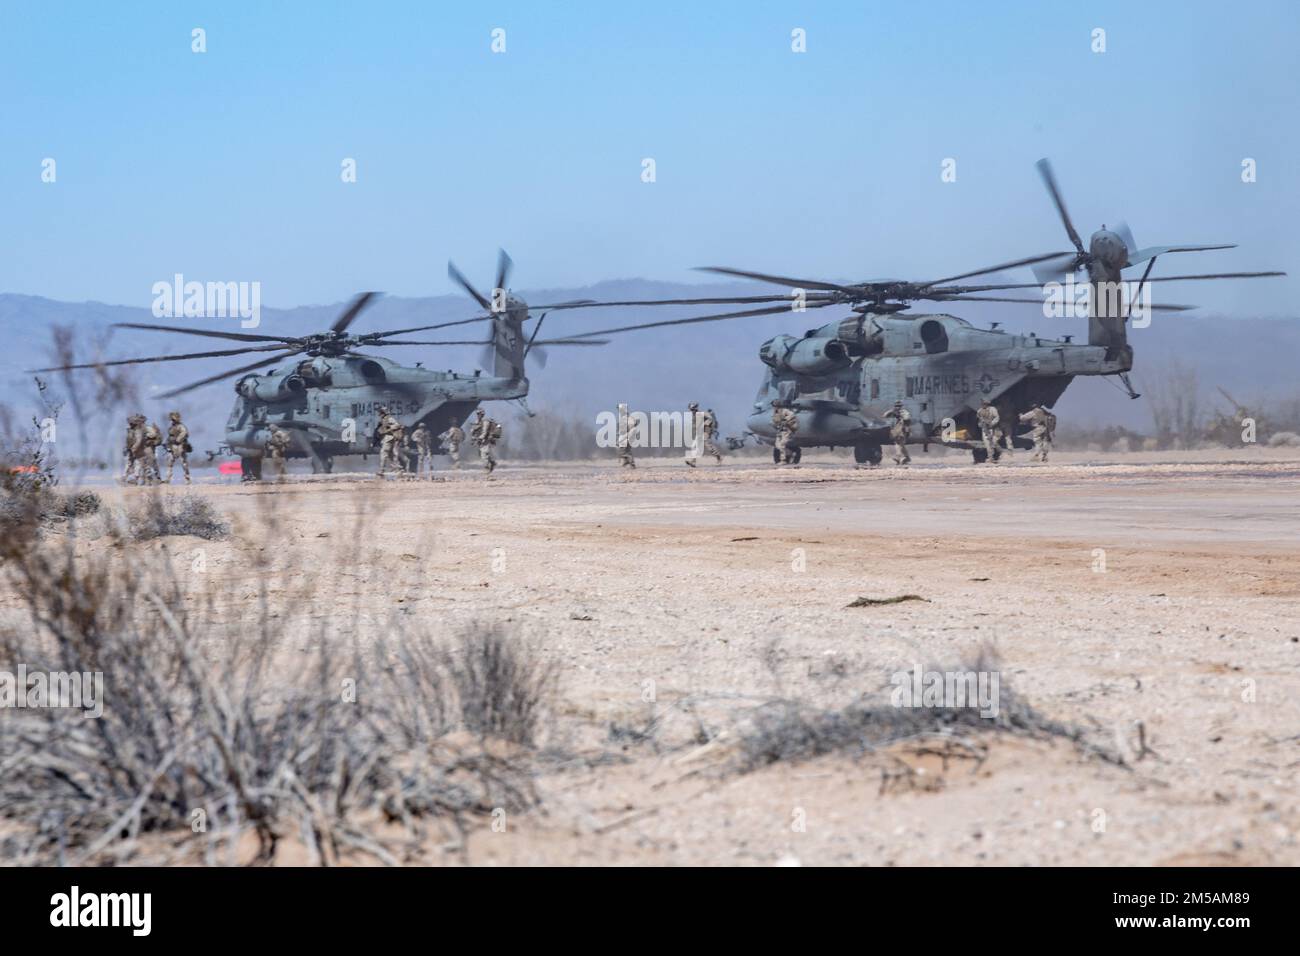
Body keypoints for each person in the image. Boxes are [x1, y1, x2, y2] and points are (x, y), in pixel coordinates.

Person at [470, 408, 501, 475]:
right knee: (481, 454)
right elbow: (474, 431)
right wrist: (473, 438)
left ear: (482, 414)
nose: (478, 415)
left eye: (479, 414)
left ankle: (487, 469)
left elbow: (484, 432)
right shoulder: (477, 421)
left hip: (486, 440)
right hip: (480, 440)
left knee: (484, 454)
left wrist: (480, 438)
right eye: (477, 414)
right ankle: (492, 462)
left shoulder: (485, 422)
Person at [376, 406, 405, 476]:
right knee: (390, 455)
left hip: (389, 437)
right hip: (388, 437)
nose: (379, 414)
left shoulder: (389, 418)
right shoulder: (384, 419)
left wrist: (388, 430)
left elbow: (397, 425)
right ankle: (398, 468)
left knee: (384, 452)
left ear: (383, 412)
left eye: (381, 412)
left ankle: (382, 470)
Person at [165, 411, 191, 484]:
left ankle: (187, 478)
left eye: (174, 418)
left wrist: (178, 440)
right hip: (172, 446)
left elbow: (184, 433)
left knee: (183, 462)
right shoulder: (172, 427)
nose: (172, 420)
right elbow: (170, 436)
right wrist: (167, 443)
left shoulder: (181, 426)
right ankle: (167, 478)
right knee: (169, 462)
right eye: (172, 419)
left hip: (180, 446)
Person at [883, 400, 912, 466]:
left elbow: (907, 418)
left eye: (899, 406)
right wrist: (892, 411)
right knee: (900, 444)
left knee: (899, 444)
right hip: (896, 431)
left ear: (901, 407)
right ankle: (906, 458)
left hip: (903, 430)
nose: (897, 407)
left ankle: (898, 457)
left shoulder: (904, 412)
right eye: (896, 406)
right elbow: (885, 415)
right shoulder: (895, 412)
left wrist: (901, 414)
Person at [771, 400, 799, 465]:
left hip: (786, 431)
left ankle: (783, 460)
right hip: (779, 431)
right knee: (777, 445)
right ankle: (790, 454)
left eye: (774, 405)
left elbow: (792, 415)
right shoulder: (775, 413)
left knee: (782, 445)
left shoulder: (784, 411)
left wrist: (786, 419)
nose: (774, 407)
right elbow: (775, 421)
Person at [123, 414, 147, 484]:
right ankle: (125, 477)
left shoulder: (138, 431)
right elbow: (128, 440)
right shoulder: (130, 431)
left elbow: (138, 441)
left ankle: (135, 478)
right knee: (129, 463)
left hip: (138, 450)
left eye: (131, 423)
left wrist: (134, 448)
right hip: (130, 450)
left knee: (137, 464)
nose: (130, 424)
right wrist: (126, 448)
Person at [141, 419, 164, 484]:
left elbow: (153, 434)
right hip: (143, 448)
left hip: (149, 447)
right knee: (144, 464)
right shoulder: (139, 429)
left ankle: (157, 479)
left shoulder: (147, 428)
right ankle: (147, 480)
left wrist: (146, 436)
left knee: (152, 463)